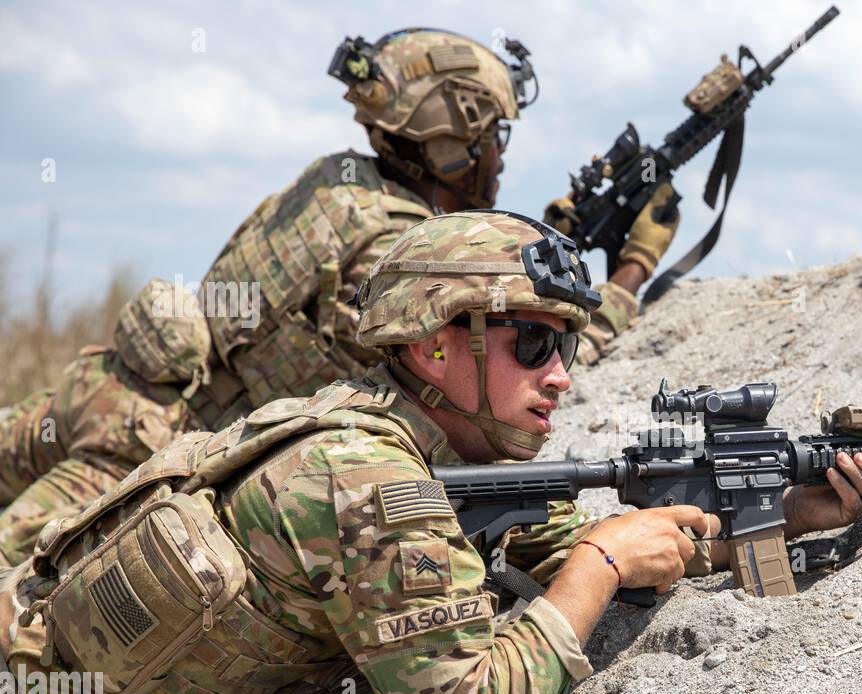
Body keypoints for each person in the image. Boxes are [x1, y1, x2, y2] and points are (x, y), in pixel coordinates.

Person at [0, 211, 862, 694]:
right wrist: (602, 561)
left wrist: (787, 519)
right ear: (436, 344)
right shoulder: (364, 476)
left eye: (569, 347)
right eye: (530, 343)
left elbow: (564, 554)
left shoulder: (434, 445)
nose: (559, 375)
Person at [0, 27, 678, 567]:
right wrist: (630, 274)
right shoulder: (399, 245)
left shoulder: (336, 183)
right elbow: (487, 364)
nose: (499, 157)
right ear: (450, 140)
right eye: (490, 136)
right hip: (143, 448)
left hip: (101, 390)